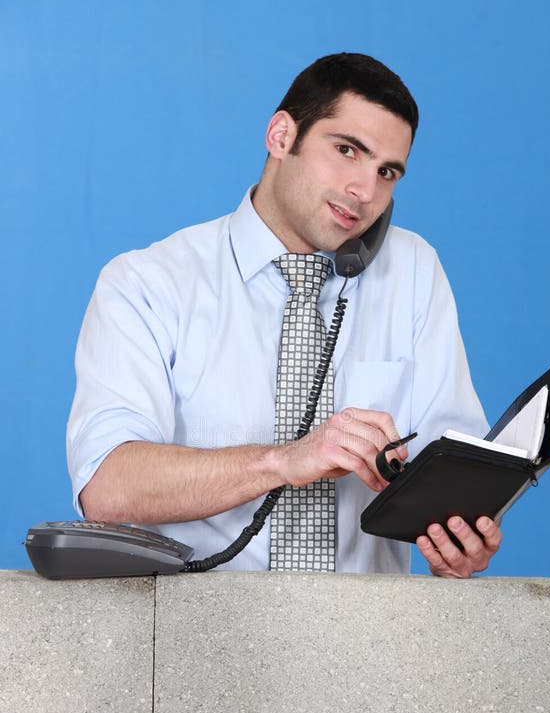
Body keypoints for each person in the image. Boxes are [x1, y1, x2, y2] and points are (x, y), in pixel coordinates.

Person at [67, 52, 502, 578]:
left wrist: (457, 534)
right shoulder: (147, 283)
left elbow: (453, 466)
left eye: (386, 172)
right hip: (195, 632)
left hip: (369, 637)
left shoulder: (413, 271)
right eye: (347, 150)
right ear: (280, 136)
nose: (365, 193)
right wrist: (285, 460)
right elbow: (107, 488)